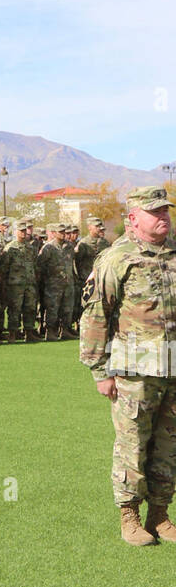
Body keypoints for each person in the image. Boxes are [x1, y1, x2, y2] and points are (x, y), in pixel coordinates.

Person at [80, 186, 176, 545]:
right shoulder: (116, 258)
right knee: (133, 444)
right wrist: (99, 371)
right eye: (156, 212)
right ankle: (129, 516)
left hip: (173, 370)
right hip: (135, 372)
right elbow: (95, 314)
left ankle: (160, 515)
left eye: (166, 210)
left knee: (169, 446)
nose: (164, 216)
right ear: (134, 219)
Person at [0, 220, 40, 342]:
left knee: (30, 308)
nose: (23, 233)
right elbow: (4, 268)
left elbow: (34, 265)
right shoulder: (10, 248)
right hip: (15, 284)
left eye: (24, 230)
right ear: (16, 232)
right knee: (14, 309)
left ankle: (29, 331)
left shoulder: (31, 248)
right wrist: (6, 284)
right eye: (21, 231)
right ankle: (12, 333)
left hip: (29, 283)